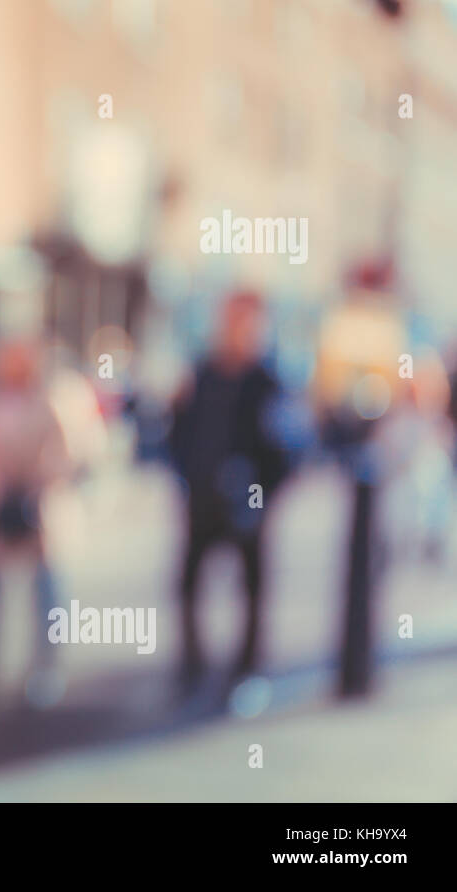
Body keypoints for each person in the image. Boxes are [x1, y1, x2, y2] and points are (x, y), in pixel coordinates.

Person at [169, 291, 289, 695]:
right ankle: (192, 665)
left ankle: (246, 666)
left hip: (247, 502)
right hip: (202, 499)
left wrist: (262, 495)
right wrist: (186, 478)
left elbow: (285, 447)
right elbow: (179, 430)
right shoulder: (203, 373)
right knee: (187, 584)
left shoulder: (266, 382)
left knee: (252, 586)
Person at [0, 338, 72, 708]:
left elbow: (64, 454)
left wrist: (35, 482)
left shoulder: (45, 401)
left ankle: (45, 670)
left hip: (37, 509)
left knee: (44, 592)